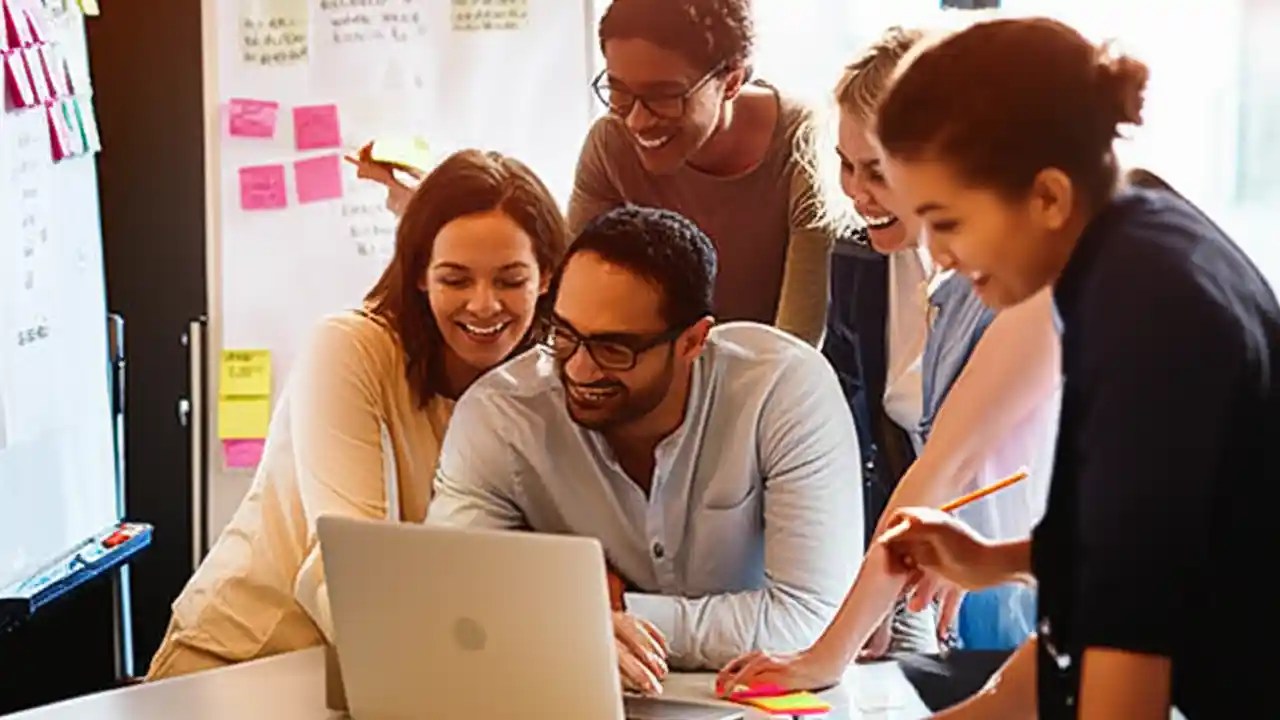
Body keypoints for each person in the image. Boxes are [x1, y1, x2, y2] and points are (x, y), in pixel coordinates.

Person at [872, 17, 1274, 718]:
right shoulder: (1138, 233)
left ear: (1048, 197)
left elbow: (1131, 623)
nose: (936, 255)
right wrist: (993, 561)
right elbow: (1141, 533)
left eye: (948, 222)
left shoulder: (1143, 305)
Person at [716, 26, 1062, 692]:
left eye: (877, 170)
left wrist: (827, 650)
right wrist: (867, 592)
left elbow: (946, 463)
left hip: (1014, 568)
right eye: (846, 165)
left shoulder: (1022, 277)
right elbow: (865, 431)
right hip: (938, 559)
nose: (856, 191)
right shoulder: (859, 257)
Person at [146, 150, 568, 679]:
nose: (484, 305)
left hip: (388, 671)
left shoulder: (544, 384)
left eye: (509, 280)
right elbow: (348, 565)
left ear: (546, 276)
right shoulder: (350, 349)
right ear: (419, 275)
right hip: (248, 657)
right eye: (455, 280)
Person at [426, 205, 863, 695]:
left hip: (756, 703)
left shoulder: (782, 390)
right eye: (565, 336)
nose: (579, 370)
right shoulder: (501, 417)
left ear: (693, 341)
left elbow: (811, 621)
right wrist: (562, 621)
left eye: (615, 349)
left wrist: (587, 616)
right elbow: (454, 599)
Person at [568, 0, 844, 347]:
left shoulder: (802, 143)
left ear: (732, 81)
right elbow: (574, 302)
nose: (636, 119)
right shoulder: (610, 145)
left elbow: (796, 342)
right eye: (619, 91)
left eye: (665, 95)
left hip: (772, 380)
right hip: (655, 375)